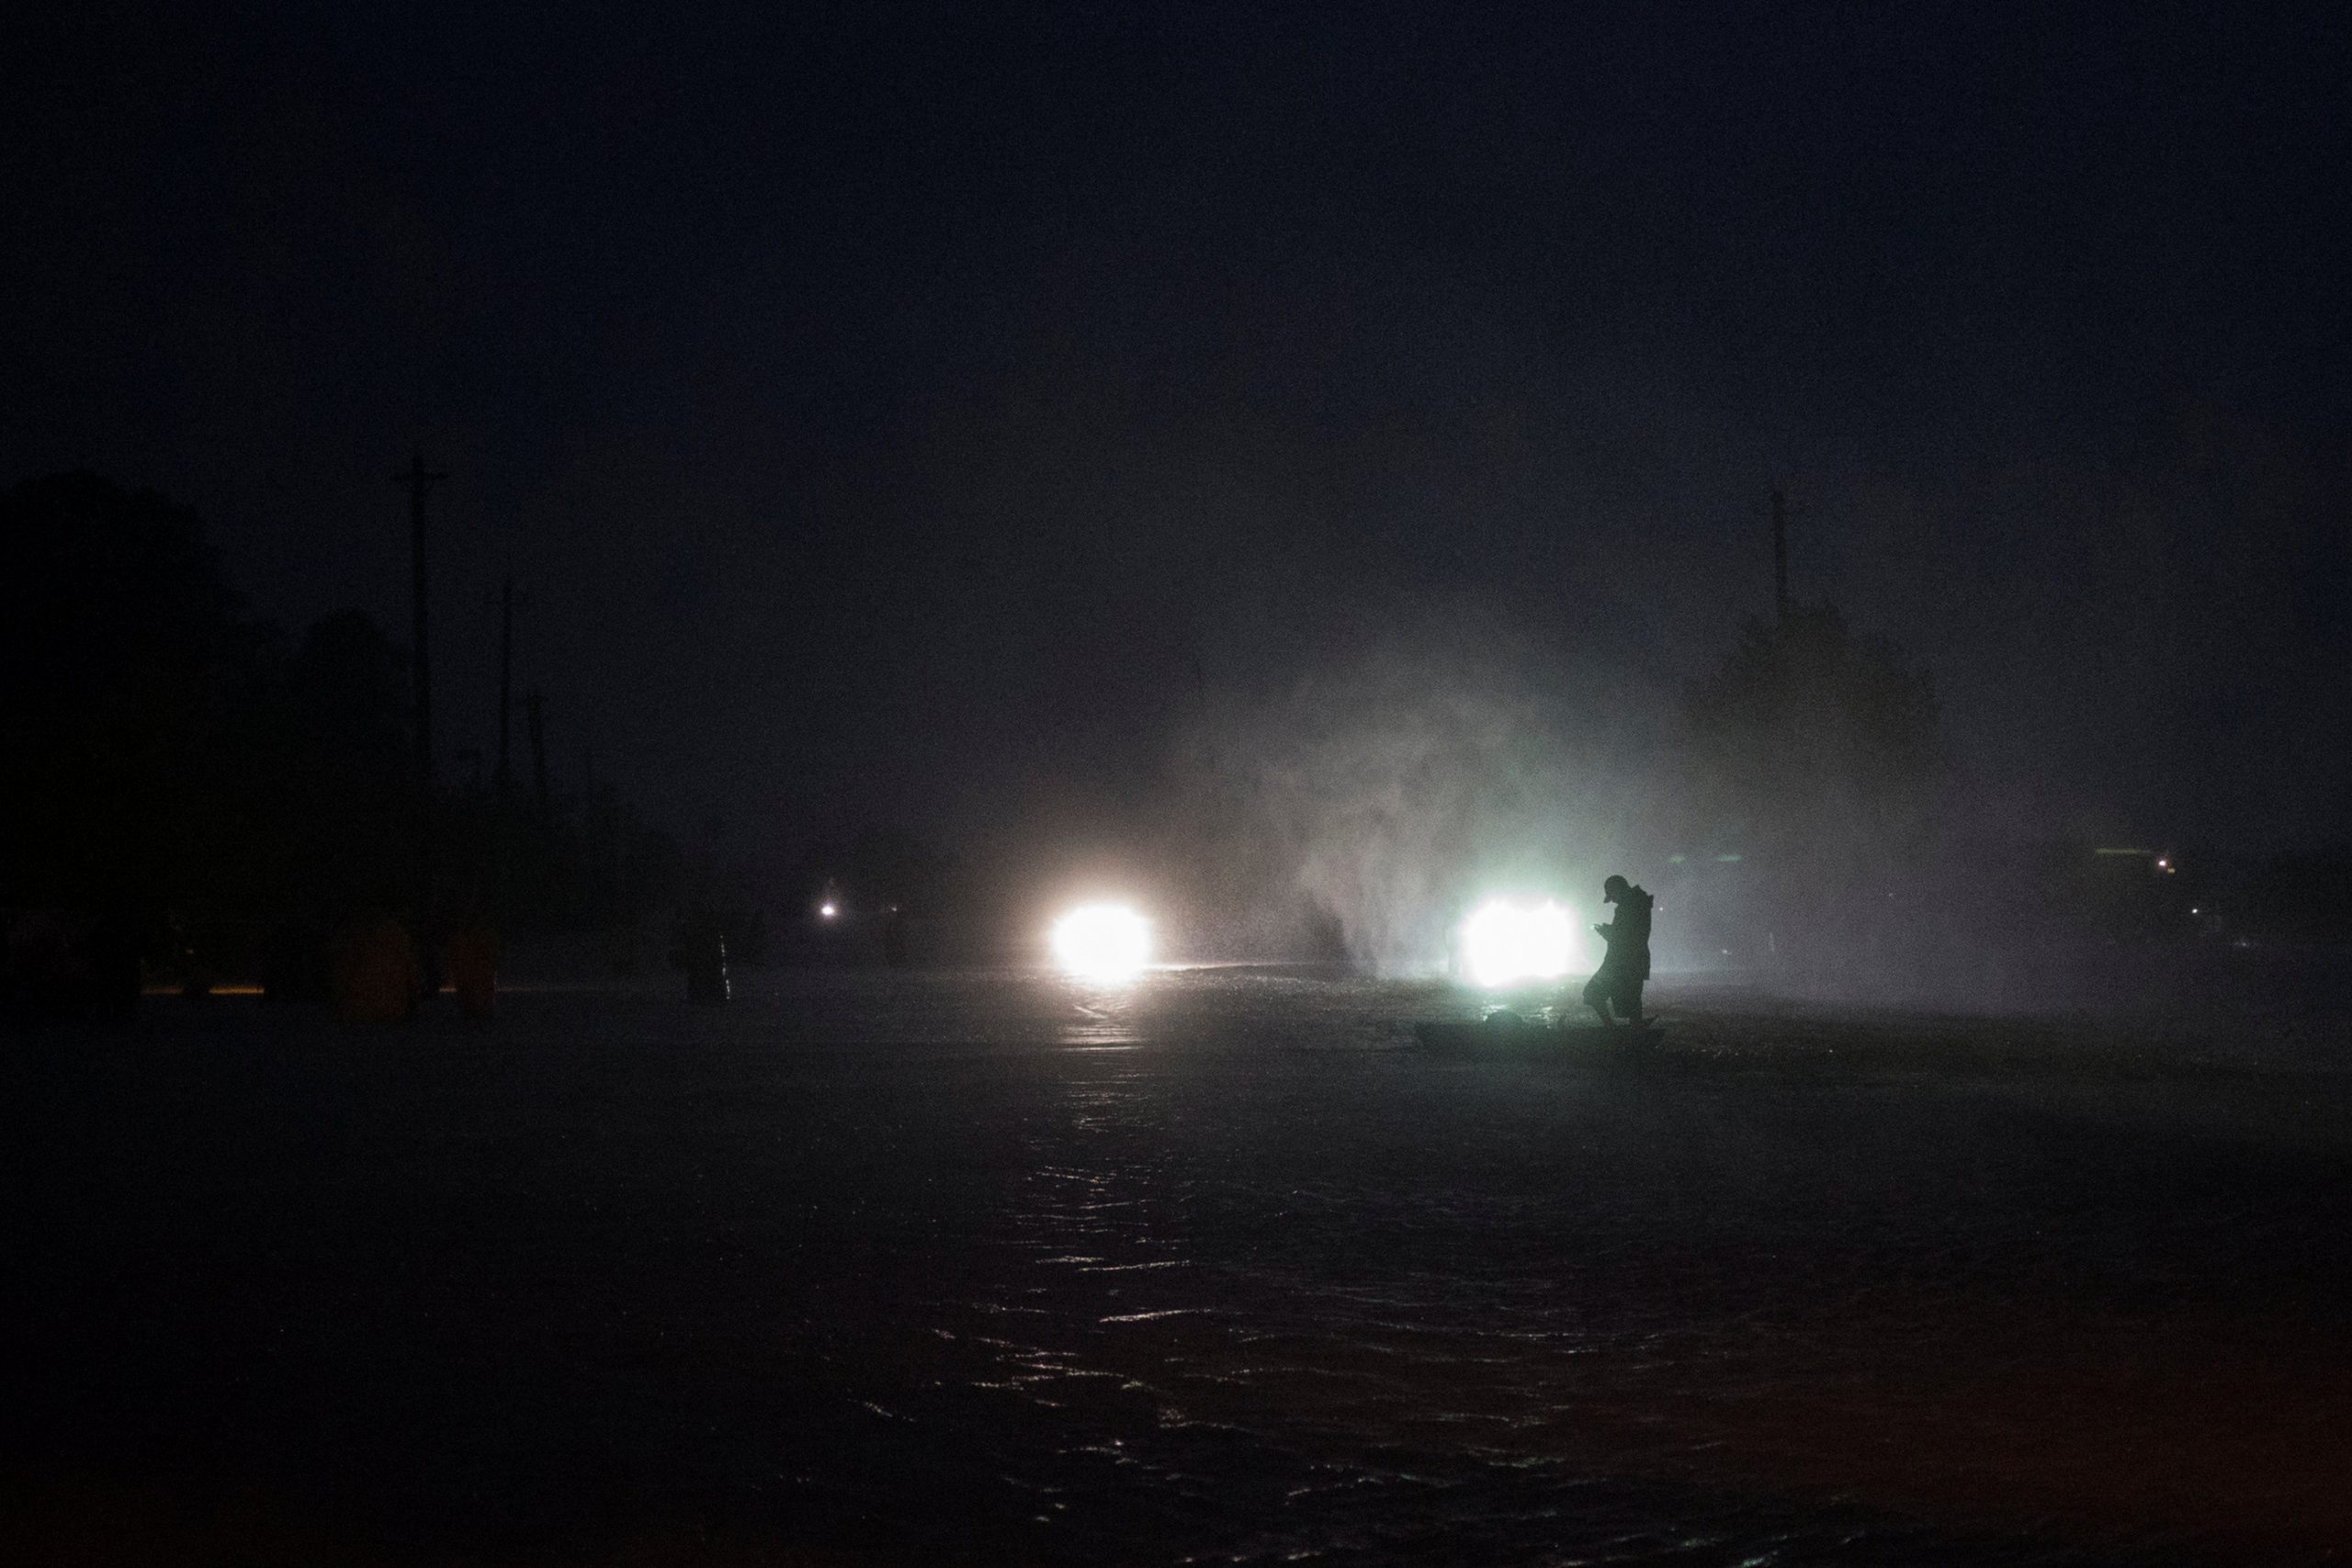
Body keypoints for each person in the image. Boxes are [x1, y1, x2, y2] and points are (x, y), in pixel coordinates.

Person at [1583, 874, 1653, 1027]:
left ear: (1618, 890)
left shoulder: (1630, 907)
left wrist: (1606, 932)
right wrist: (1609, 931)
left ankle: (1614, 1029)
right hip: (1633, 962)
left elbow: (1626, 938)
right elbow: (1630, 935)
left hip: (1621, 964)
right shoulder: (1639, 904)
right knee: (1632, 1000)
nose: (1613, 900)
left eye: (1612, 895)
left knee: (1592, 993)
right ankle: (1636, 1030)